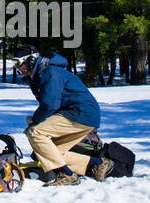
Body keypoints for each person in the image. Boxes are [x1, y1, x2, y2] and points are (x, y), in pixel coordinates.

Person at [17, 52, 112, 186]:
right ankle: (98, 164)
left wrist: (35, 121)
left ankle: (67, 174)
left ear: (30, 60)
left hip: (79, 113)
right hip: (83, 115)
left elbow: (50, 104)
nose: (17, 68)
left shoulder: (50, 72)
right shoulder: (40, 74)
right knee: (49, 152)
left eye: (18, 63)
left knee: (35, 132)